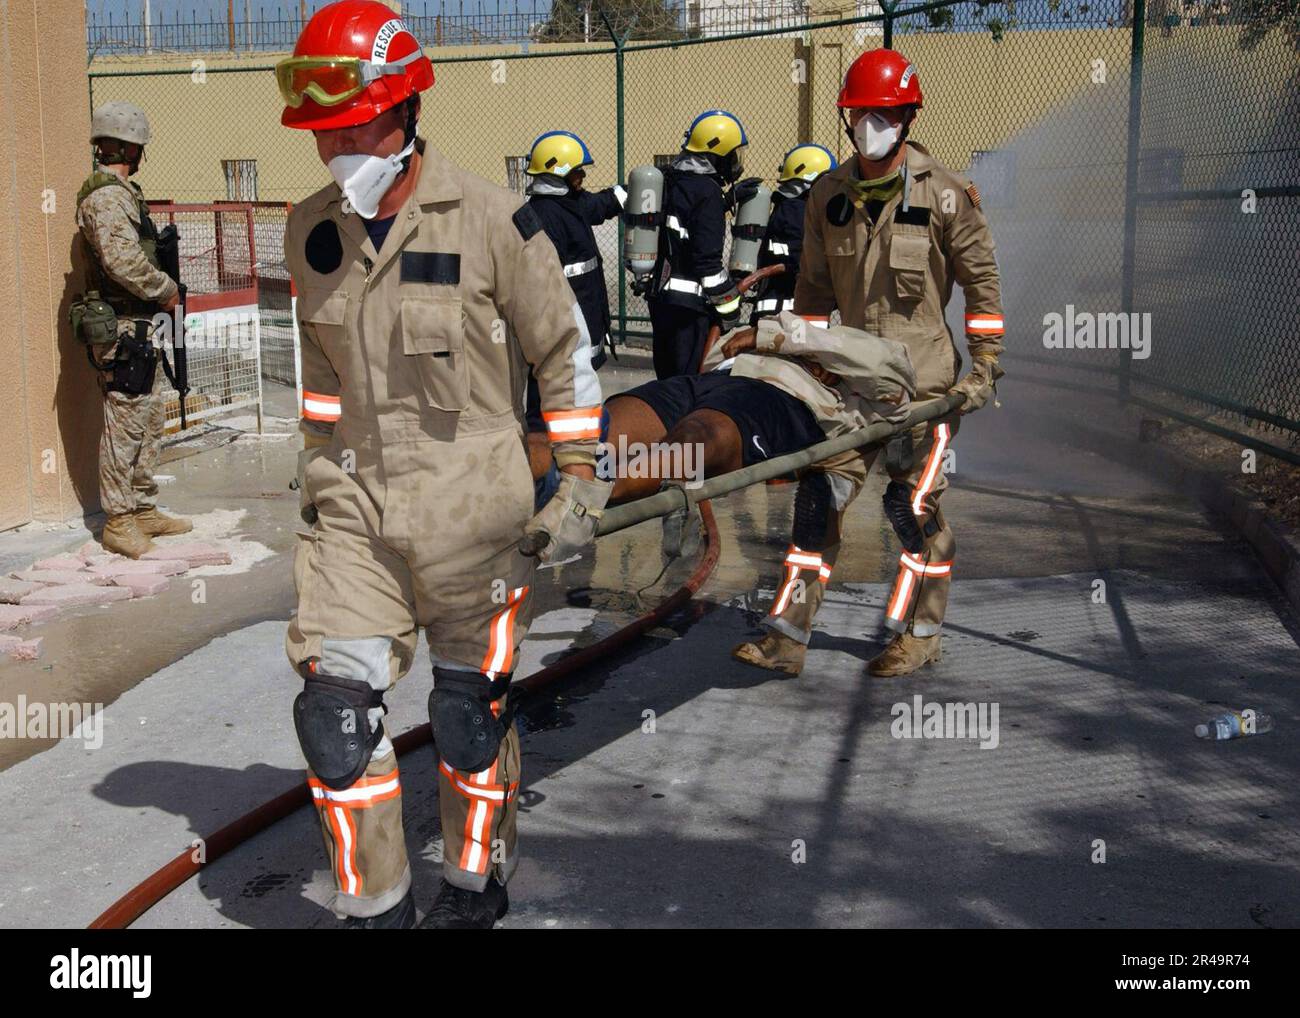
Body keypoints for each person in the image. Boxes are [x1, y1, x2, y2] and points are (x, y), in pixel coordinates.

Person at [277, 1, 609, 929]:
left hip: (478, 512)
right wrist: (315, 473)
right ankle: (375, 906)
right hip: (357, 512)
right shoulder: (313, 233)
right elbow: (319, 381)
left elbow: (564, 354)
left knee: (466, 717)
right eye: (319, 130)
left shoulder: (496, 218)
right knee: (335, 718)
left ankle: (472, 883)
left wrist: (579, 478)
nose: (333, 145)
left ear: (405, 108)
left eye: (350, 124)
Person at [732, 48, 1005, 678]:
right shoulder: (828, 196)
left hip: (925, 389)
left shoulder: (946, 196)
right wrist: (805, 363)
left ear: (907, 117)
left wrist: (984, 364)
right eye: (859, 114)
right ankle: (787, 636)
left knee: (910, 510)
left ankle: (923, 632)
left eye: (883, 114)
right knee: (816, 499)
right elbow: (815, 299)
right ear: (846, 118)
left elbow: (983, 286)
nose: (869, 125)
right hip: (852, 389)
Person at [75, 101, 191, 558]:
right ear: (126, 147)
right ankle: (119, 520)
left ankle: (142, 507)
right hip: (120, 324)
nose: (141, 153)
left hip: (138, 324)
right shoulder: (106, 197)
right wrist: (165, 289)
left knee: (148, 417)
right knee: (124, 422)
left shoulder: (125, 192)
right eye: (137, 146)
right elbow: (121, 261)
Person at [523, 130, 624, 504]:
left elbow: (598, 206)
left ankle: (563, 490)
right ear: (557, 174)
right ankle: (544, 499)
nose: (582, 180)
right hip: (557, 346)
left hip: (577, 348)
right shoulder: (539, 218)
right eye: (577, 173)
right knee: (546, 425)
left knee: (575, 422)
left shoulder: (569, 204)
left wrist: (639, 188)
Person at [645, 110, 758, 378]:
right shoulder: (707, 193)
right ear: (716, 154)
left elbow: (684, 219)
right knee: (686, 385)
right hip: (689, 311)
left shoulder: (670, 179)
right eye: (732, 155)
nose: (735, 163)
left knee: (666, 380)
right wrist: (730, 306)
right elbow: (707, 265)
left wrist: (727, 200)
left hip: (661, 301)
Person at [748, 144, 837, 325]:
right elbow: (805, 263)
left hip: (777, 311)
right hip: (790, 315)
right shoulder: (797, 210)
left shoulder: (785, 207)